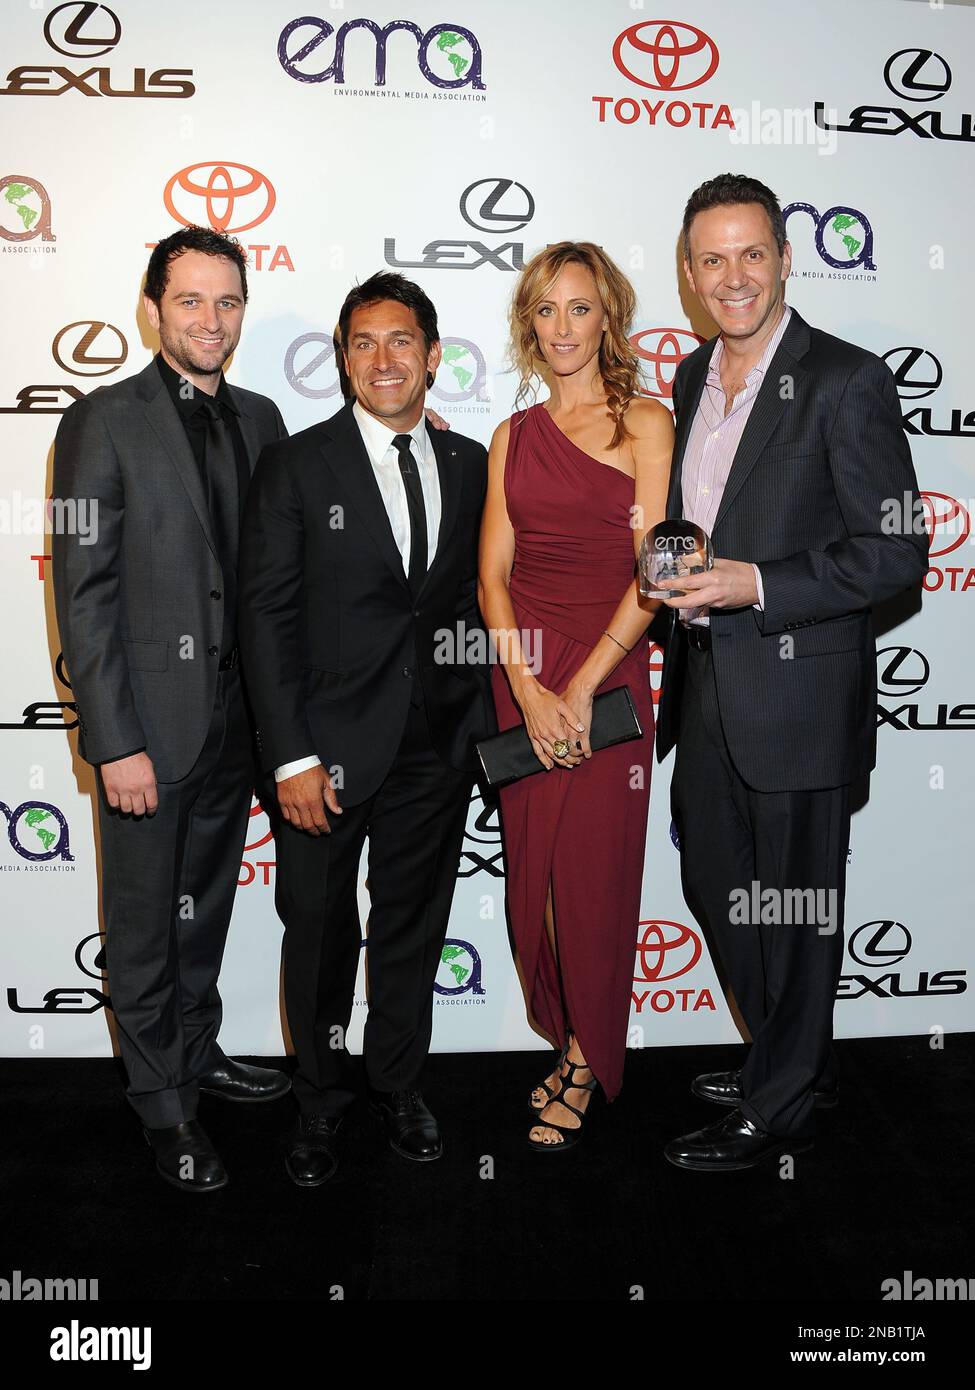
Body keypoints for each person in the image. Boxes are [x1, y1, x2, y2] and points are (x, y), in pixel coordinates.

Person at [655, 173, 929, 1171]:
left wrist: (756, 583)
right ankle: (788, 1055)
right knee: (718, 883)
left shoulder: (845, 379)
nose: (734, 276)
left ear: (783, 256)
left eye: (752, 253)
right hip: (707, 688)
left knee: (796, 903)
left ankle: (779, 1103)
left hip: (799, 693)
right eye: (713, 259)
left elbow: (897, 550)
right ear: (689, 274)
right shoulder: (691, 378)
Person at [238, 271, 494, 1186]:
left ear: (432, 355)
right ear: (342, 358)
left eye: (400, 342)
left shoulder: (470, 465)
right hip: (325, 752)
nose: (382, 360)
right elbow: (264, 620)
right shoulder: (298, 464)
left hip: (435, 747)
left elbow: (472, 600)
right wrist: (294, 755)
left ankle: (399, 1086)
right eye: (362, 343)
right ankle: (318, 1101)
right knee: (315, 930)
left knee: (410, 929)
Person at [51, 226, 292, 1194]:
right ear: (153, 309)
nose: (211, 319)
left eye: (227, 302)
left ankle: (196, 1050)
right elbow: (84, 594)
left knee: (205, 911)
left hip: (236, 727)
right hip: (148, 731)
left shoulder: (265, 419)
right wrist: (114, 742)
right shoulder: (100, 421)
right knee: (146, 921)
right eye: (190, 300)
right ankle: (163, 1106)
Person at [478, 242, 673, 1151]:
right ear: (529, 322)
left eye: (580, 309)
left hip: (611, 671)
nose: (562, 328)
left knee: (592, 882)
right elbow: (491, 579)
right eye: (546, 311)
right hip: (522, 673)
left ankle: (589, 1059)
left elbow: (657, 572)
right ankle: (566, 1035)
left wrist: (581, 689)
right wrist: (525, 685)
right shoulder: (511, 437)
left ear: (608, 317)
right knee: (535, 893)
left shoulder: (645, 422)